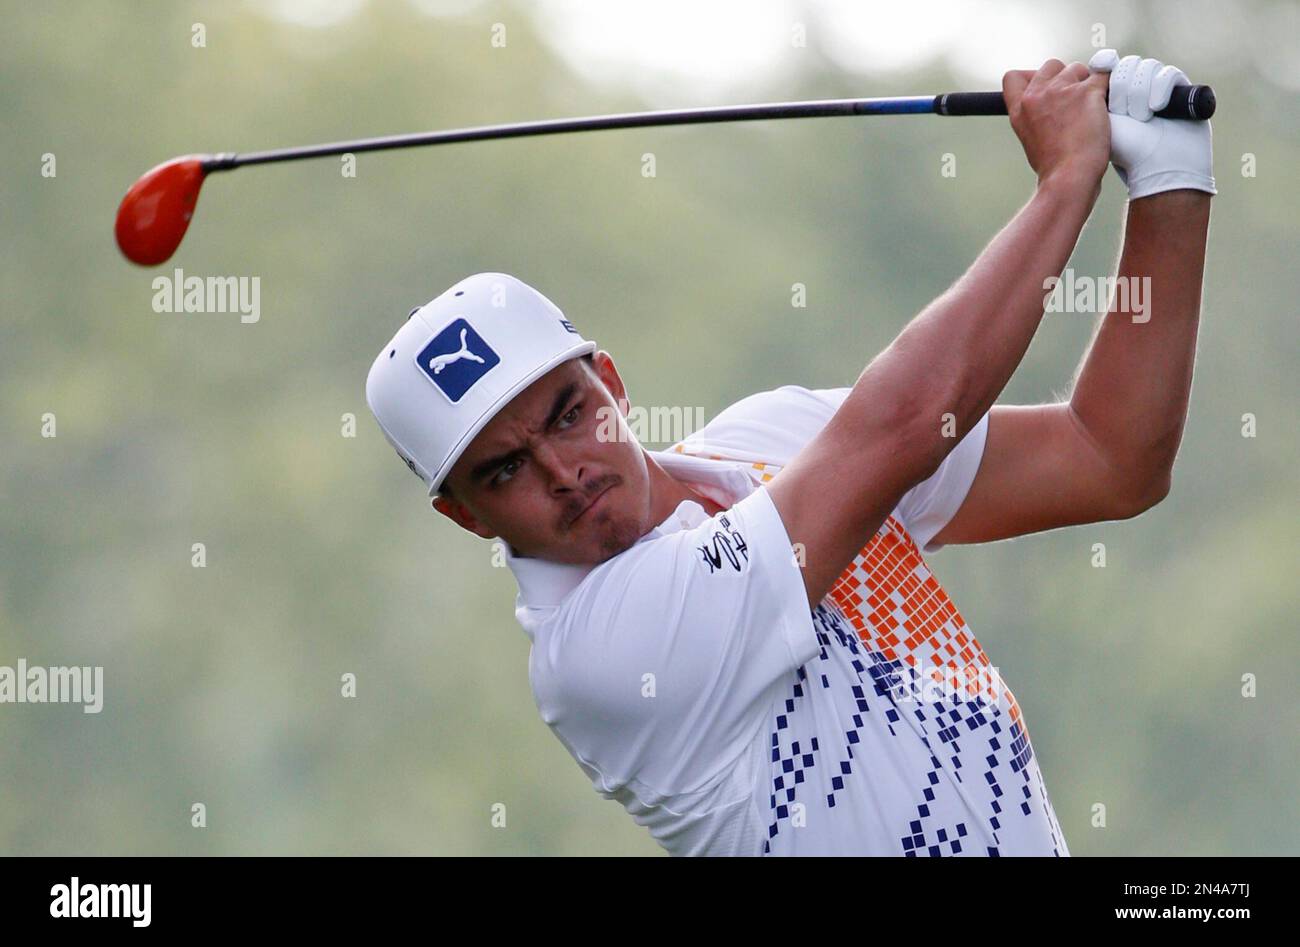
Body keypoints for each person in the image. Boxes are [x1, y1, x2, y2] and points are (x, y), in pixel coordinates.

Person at [364, 49, 1214, 856]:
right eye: (503, 469)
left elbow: (1109, 455)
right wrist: (1065, 181)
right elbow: (908, 422)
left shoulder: (774, 439)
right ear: (464, 514)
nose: (562, 471)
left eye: (565, 413)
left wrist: (1169, 181)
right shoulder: (598, 655)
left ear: (613, 383)